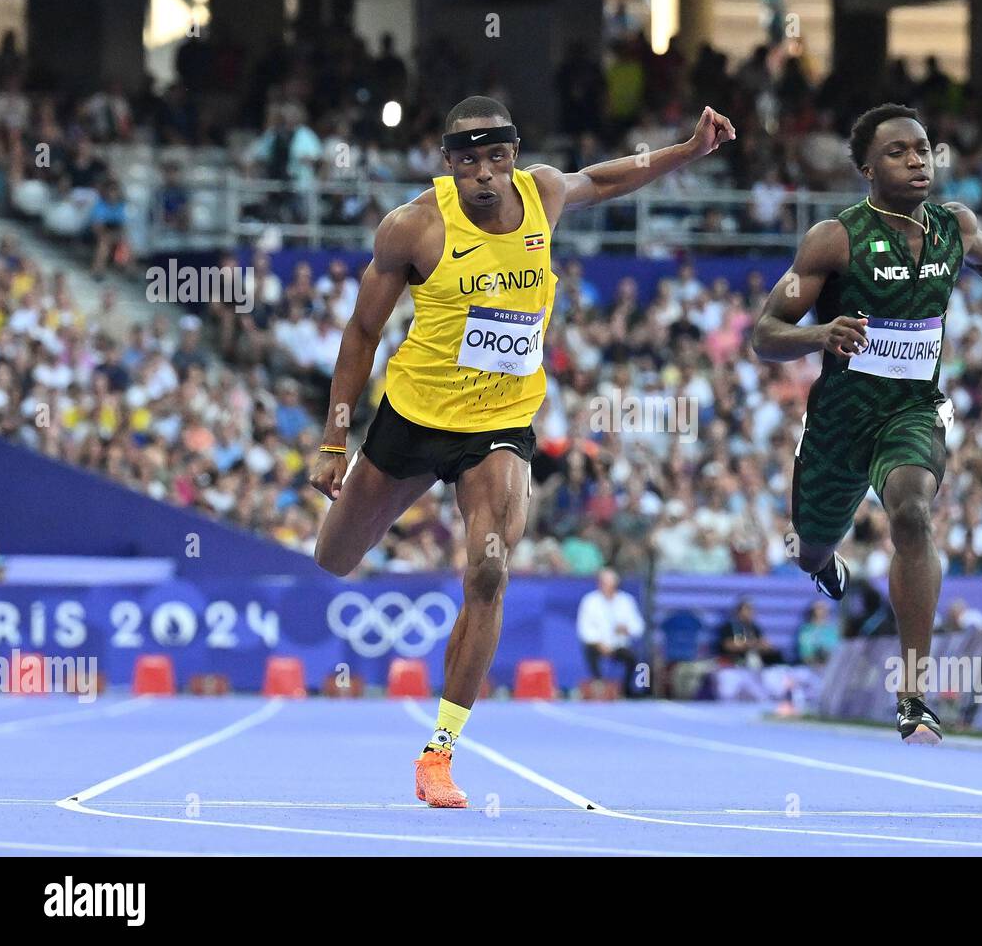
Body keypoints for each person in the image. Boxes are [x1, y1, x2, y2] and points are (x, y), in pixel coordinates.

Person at [308, 95, 735, 807]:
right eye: (468, 161)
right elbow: (360, 332)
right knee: (334, 557)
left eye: (496, 158)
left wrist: (686, 151)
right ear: (448, 164)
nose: (484, 175)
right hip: (415, 417)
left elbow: (607, 178)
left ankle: (439, 751)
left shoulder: (541, 193)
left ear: (513, 156)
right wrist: (333, 436)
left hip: (501, 423)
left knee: (488, 570)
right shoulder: (413, 227)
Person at [751, 102, 982, 744]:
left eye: (923, 148)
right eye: (898, 151)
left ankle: (914, 695)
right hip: (841, 420)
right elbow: (765, 334)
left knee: (912, 512)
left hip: (912, 409)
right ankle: (820, 561)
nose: (916, 159)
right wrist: (820, 334)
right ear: (868, 167)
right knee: (811, 542)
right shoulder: (834, 238)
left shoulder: (955, 227)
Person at [575, 568, 645, 697]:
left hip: (619, 645)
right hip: (597, 644)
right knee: (589, 651)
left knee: (634, 657)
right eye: (603, 583)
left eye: (609, 584)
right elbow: (584, 628)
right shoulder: (590, 601)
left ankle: (626, 690)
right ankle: (599, 684)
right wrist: (598, 643)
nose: (605, 587)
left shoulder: (626, 601)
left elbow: (639, 627)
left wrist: (627, 629)